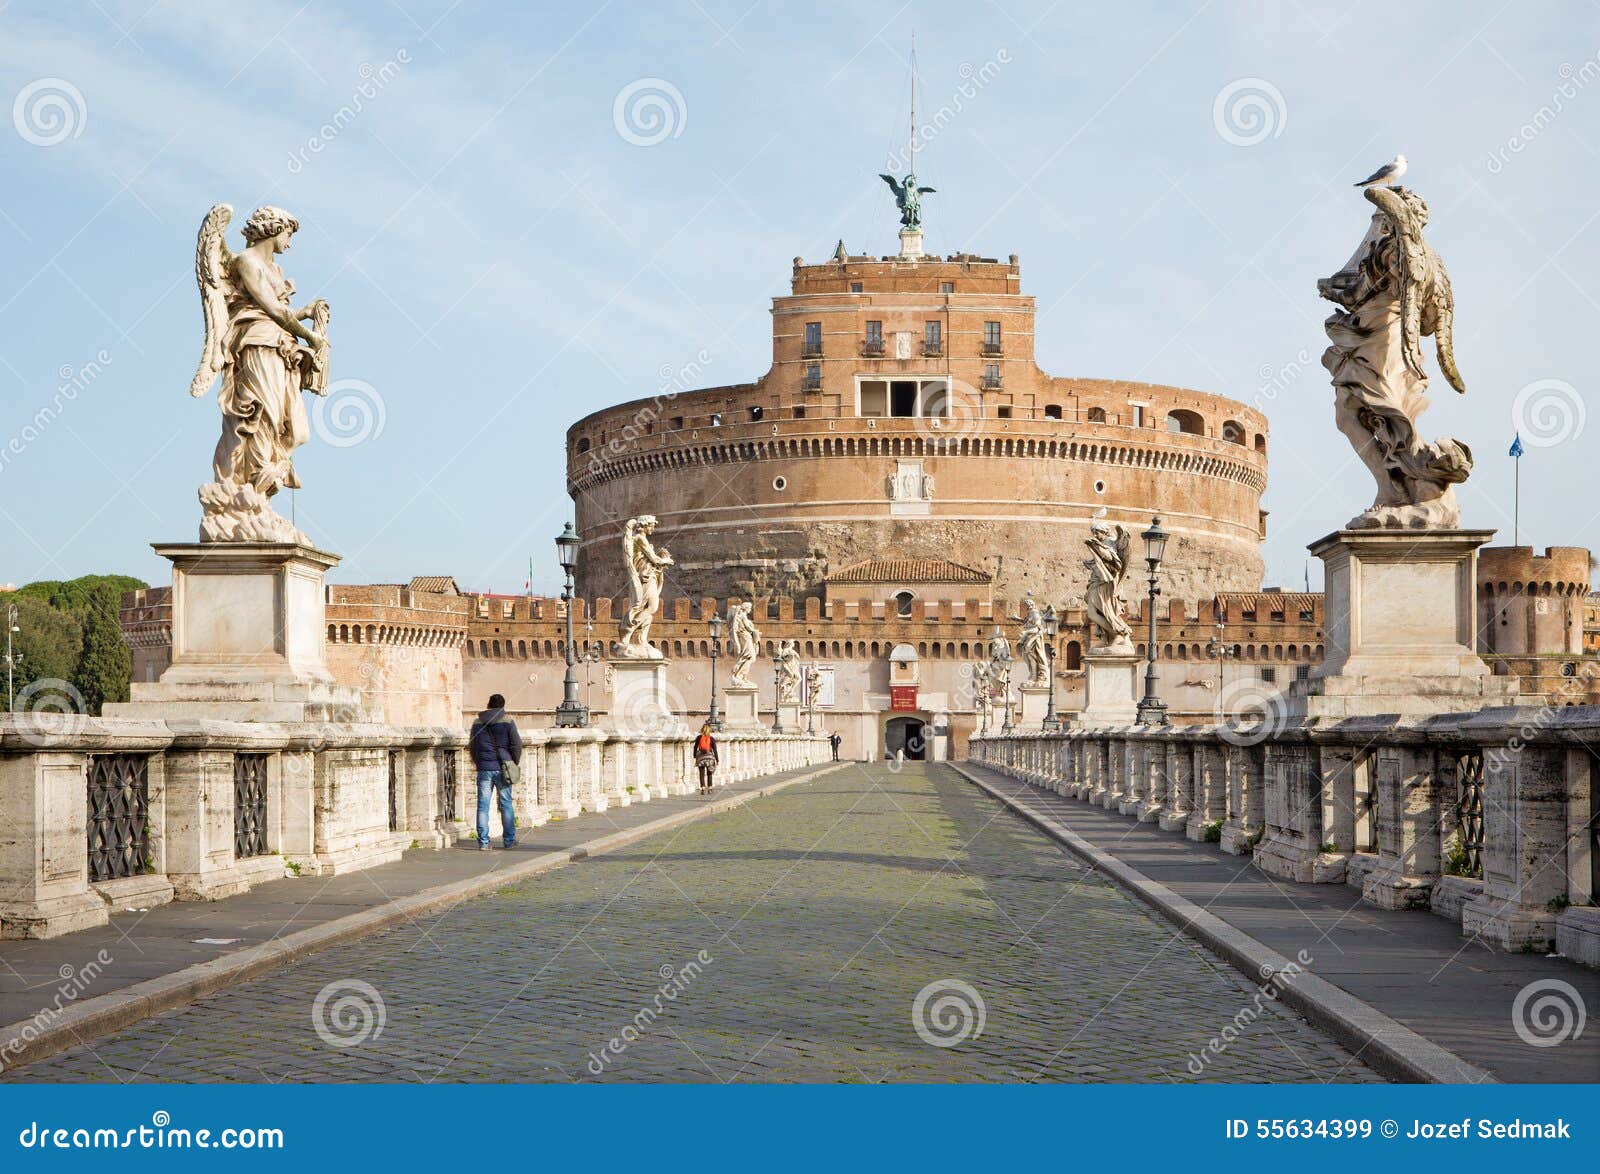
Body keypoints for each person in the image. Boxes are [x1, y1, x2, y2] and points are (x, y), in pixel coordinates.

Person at [469, 693, 523, 850]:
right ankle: (509, 841)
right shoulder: (508, 721)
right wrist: (513, 762)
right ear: (503, 706)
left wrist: (479, 762)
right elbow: (516, 744)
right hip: (503, 767)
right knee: (506, 804)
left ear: (488, 704)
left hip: (484, 769)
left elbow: (473, 745)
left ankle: (484, 842)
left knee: (483, 806)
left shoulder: (477, 722)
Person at [694, 721, 718, 794]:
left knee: (701, 773)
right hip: (709, 757)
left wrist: (695, 756)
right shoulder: (711, 738)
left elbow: (695, 747)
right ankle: (710, 788)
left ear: (702, 729)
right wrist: (717, 759)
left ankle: (702, 788)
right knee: (709, 773)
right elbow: (715, 750)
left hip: (700, 757)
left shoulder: (698, 737)